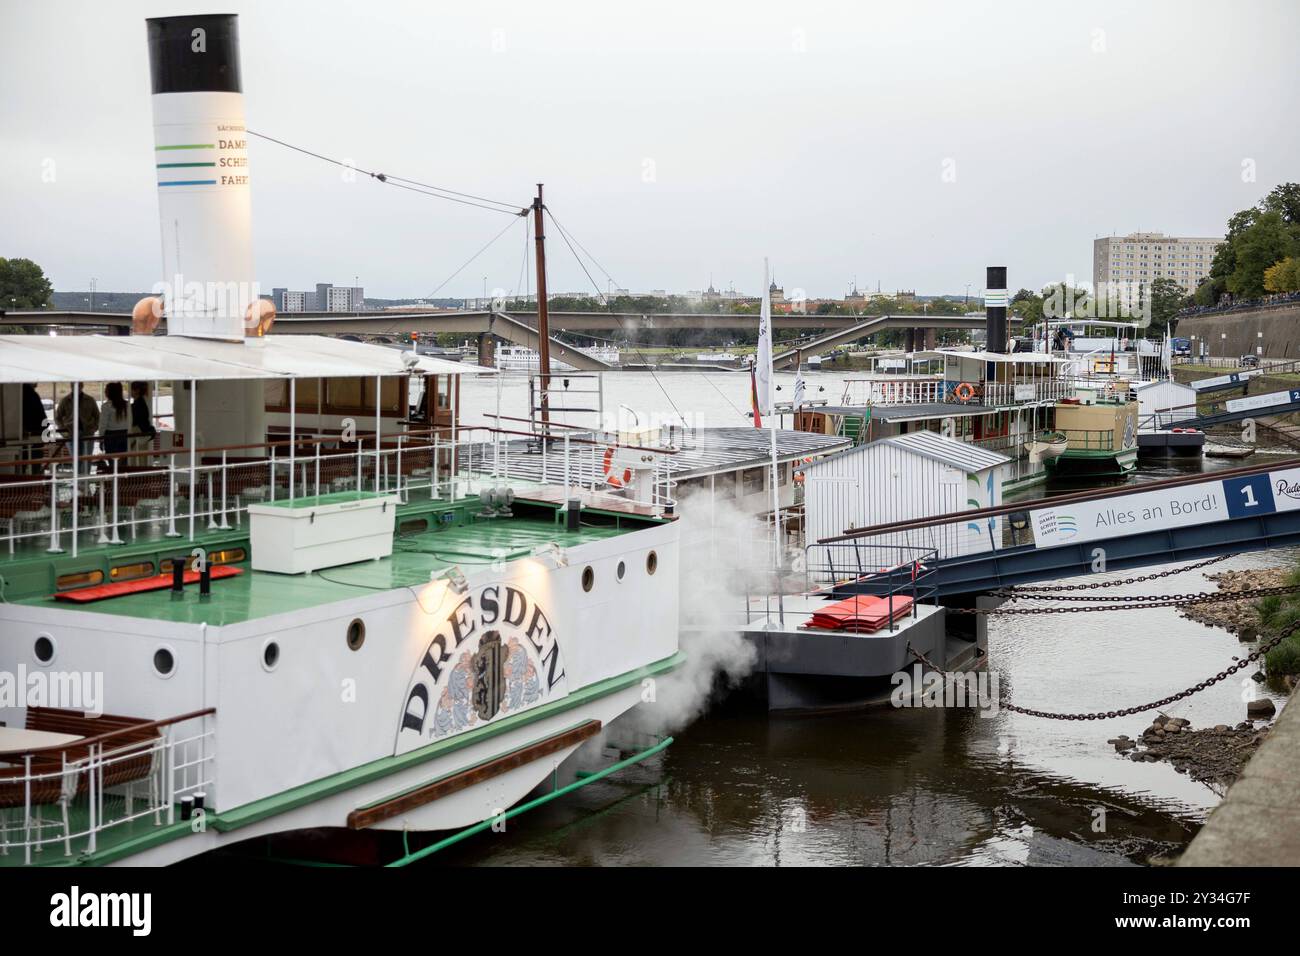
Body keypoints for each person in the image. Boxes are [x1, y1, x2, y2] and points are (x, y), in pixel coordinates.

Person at [54, 383, 100, 461]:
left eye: (78, 385)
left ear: (82, 386)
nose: (76, 387)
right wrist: (63, 430)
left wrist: (94, 428)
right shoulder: (65, 400)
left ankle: (85, 470)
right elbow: (57, 417)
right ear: (71, 386)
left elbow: (97, 416)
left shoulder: (90, 400)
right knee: (75, 460)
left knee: (87, 459)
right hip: (70, 434)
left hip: (87, 433)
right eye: (73, 385)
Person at [100, 382, 130, 456]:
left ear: (110, 392)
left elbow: (103, 424)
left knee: (112, 458)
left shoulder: (106, 406)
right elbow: (130, 421)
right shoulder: (127, 405)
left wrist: (101, 439)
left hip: (111, 436)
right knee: (124, 458)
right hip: (125, 435)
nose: (105, 392)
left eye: (106, 390)